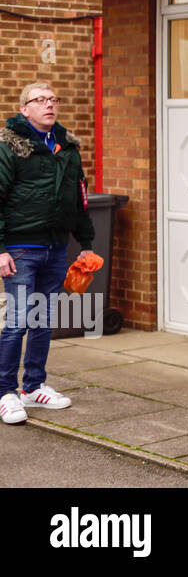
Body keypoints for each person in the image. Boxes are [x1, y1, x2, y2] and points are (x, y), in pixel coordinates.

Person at [0, 83, 95, 425]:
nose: (49, 105)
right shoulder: (10, 146)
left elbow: (79, 197)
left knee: (42, 320)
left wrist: (85, 244)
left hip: (56, 248)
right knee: (18, 320)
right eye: (40, 100)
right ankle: (5, 392)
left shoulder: (66, 147)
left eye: (53, 99)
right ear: (24, 108)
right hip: (21, 249)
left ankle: (33, 386)